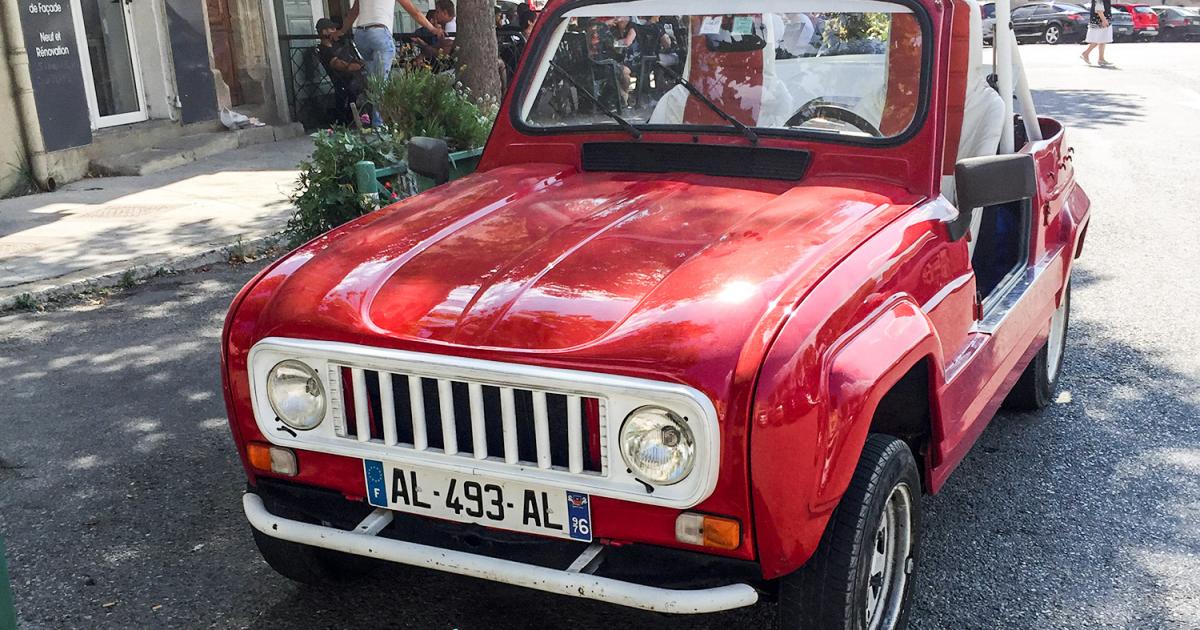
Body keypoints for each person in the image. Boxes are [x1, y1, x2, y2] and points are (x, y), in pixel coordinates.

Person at [342, 0, 444, 81]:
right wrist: (433, 29)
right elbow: (414, 12)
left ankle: (370, 103)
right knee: (382, 83)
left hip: (361, 35)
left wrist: (341, 31)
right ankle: (380, 106)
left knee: (373, 80)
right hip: (379, 32)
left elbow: (353, 12)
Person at [315, 17, 369, 124]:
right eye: (332, 29)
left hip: (355, 77)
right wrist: (361, 66)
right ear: (324, 31)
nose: (335, 31)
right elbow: (339, 65)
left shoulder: (339, 44)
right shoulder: (324, 50)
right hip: (344, 80)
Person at [1081, 0, 1113, 66]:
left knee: (1103, 40)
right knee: (1097, 40)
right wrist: (1104, 20)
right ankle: (1085, 53)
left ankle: (1101, 59)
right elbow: (1099, 9)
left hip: (1102, 20)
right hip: (1099, 22)